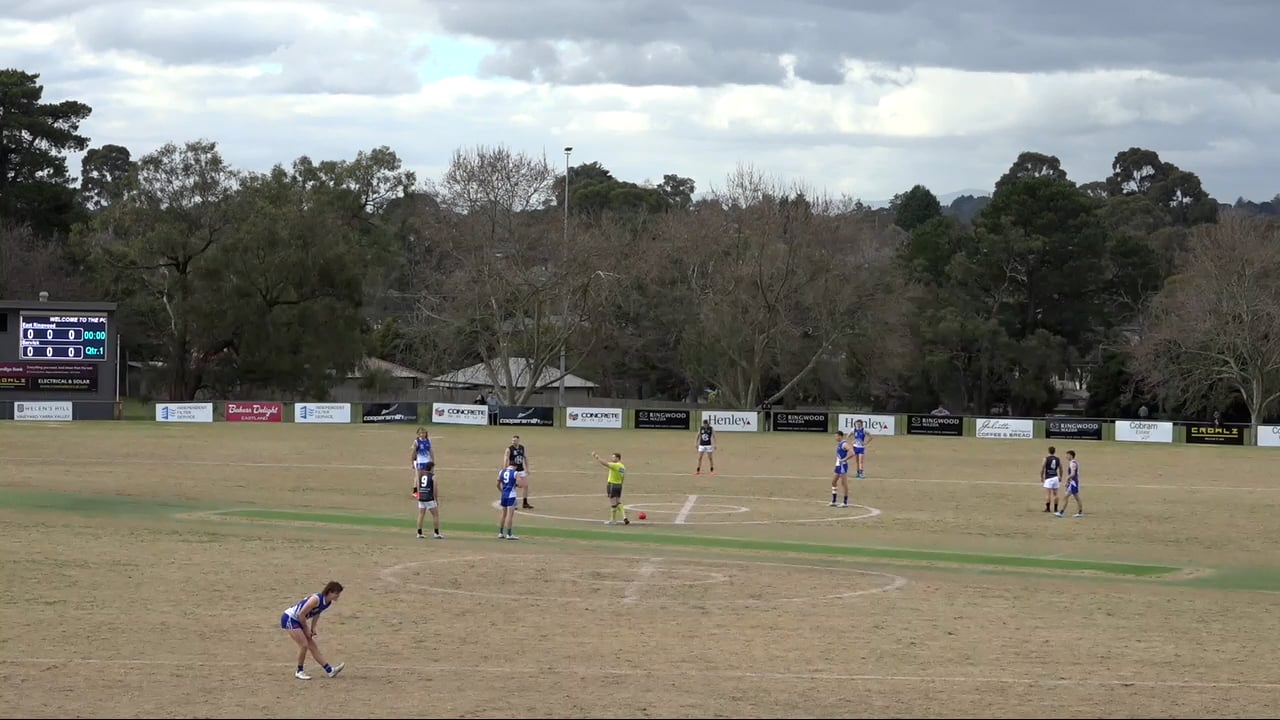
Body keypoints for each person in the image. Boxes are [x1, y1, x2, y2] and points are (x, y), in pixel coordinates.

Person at [279, 581, 345, 680]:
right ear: (330, 592)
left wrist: (313, 627)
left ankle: (329, 670)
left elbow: (317, 613)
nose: (338, 596)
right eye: (337, 593)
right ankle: (299, 671)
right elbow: (301, 614)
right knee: (304, 644)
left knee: (312, 645)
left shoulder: (327, 602)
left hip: (299, 620)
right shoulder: (316, 599)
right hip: (290, 618)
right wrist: (306, 629)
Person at [593, 451, 629, 525]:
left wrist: (597, 457)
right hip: (619, 485)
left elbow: (605, 464)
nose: (612, 458)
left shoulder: (615, 465)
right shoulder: (622, 467)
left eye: (613, 457)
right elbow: (623, 477)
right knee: (618, 502)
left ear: (617, 458)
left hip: (612, 485)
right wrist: (621, 484)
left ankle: (613, 520)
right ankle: (624, 517)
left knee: (613, 503)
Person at [415, 460, 443, 539]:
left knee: (421, 514)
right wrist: (436, 499)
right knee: (435, 515)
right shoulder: (433, 476)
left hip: (421, 497)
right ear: (431, 468)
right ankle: (436, 533)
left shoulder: (421, 475)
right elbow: (435, 489)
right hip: (429, 498)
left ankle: (419, 533)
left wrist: (418, 495)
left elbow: (417, 485)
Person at [496, 462, 525, 539]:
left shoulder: (501, 471)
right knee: (510, 515)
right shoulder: (516, 473)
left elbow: (498, 484)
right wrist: (519, 482)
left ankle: (500, 533)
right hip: (511, 495)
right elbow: (521, 485)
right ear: (515, 466)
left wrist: (502, 491)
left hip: (504, 495)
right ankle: (509, 534)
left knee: (503, 514)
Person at [504, 434, 534, 509]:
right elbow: (506, 459)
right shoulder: (509, 449)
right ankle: (512, 503)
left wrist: (527, 468)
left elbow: (525, 458)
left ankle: (525, 503)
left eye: (515, 440)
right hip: (513, 470)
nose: (514, 441)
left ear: (518, 440)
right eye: (513, 440)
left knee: (526, 485)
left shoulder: (522, 448)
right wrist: (505, 469)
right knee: (513, 487)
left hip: (521, 469)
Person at [1056, 450, 1084, 518]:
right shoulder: (1072, 463)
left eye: (1067, 455)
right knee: (1075, 497)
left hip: (1073, 482)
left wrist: (1067, 479)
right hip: (1072, 482)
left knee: (1067, 497)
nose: (1066, 456)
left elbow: (1072, 474)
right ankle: (1079, 512)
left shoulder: (1072, 463)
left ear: (1071, 455)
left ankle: (1061, 512)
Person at [409, 427, 434, 498]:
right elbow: (413, 453)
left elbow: (431, 451)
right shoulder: (416, 442)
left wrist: (432, 460)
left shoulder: (429, 440)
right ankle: (415, 491)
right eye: (421, 433)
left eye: (424, 433)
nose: (423, 434)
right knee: (418, 477)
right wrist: (412, 463)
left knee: (429, 476)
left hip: (428, 461)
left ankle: (427, 491)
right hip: (420, 462)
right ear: (418, 434)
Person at [831, 430, 851, 507]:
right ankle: (834, 501)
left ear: (840, 436)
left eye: (836, 436)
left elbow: (852, 452)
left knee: (844, 483)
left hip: (843, 465)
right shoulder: (839, 444)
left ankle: (845, 502)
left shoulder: (844, 444)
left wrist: (845, 459)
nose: (835, 438)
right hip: (838, 465)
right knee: (833, 481)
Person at [1041, 445, 1062, 514]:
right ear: (1054, 451)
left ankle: (1048, 508)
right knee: (1056, 494)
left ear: (1048, 451)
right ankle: (1056, 509)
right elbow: (1061, 468)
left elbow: (1043, 467)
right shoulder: (1058, 459)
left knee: (1048, 494)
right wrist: (1060, 476)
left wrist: (1041, 476)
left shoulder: (1046, 458)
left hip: (1048, 477)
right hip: (1055, 477)